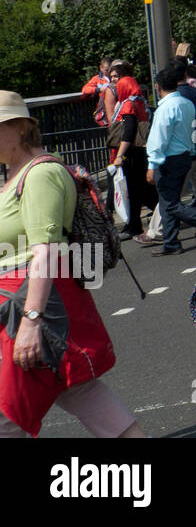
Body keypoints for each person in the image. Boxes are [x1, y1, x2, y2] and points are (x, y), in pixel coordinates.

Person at [0, 92, 145, 439]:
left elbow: (46, 251)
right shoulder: (20, 174)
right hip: (27, 299)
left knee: (6, 412)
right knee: (77, 389)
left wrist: (32, 321)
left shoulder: (38, 175)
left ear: (20, 127)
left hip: (31, 302)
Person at [146, 62, 196, 257]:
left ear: (158, 86)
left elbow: (159, 138)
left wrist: (152, 164)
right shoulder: (186, 103)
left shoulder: (164, 109)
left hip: (169, 159)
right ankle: (170, 242)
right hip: (186, 154)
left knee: (171, 203)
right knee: (168, 200)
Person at [107, 61, 157, 243]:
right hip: (140, 151)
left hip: (131, 154)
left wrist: (119, 155)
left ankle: (138, 224)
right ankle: (136, 224)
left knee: (137, 191)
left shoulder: (127, 105)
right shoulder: (140, 102)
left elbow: (128, 132)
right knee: (141, 191)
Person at [80, 57, 113, 127]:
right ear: (101, 68)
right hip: (104, 110)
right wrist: (99, 89)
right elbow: (85, 89)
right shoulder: (97, 79)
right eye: (107, 70)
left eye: (111, 70)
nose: (109, 72)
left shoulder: (116, 78)